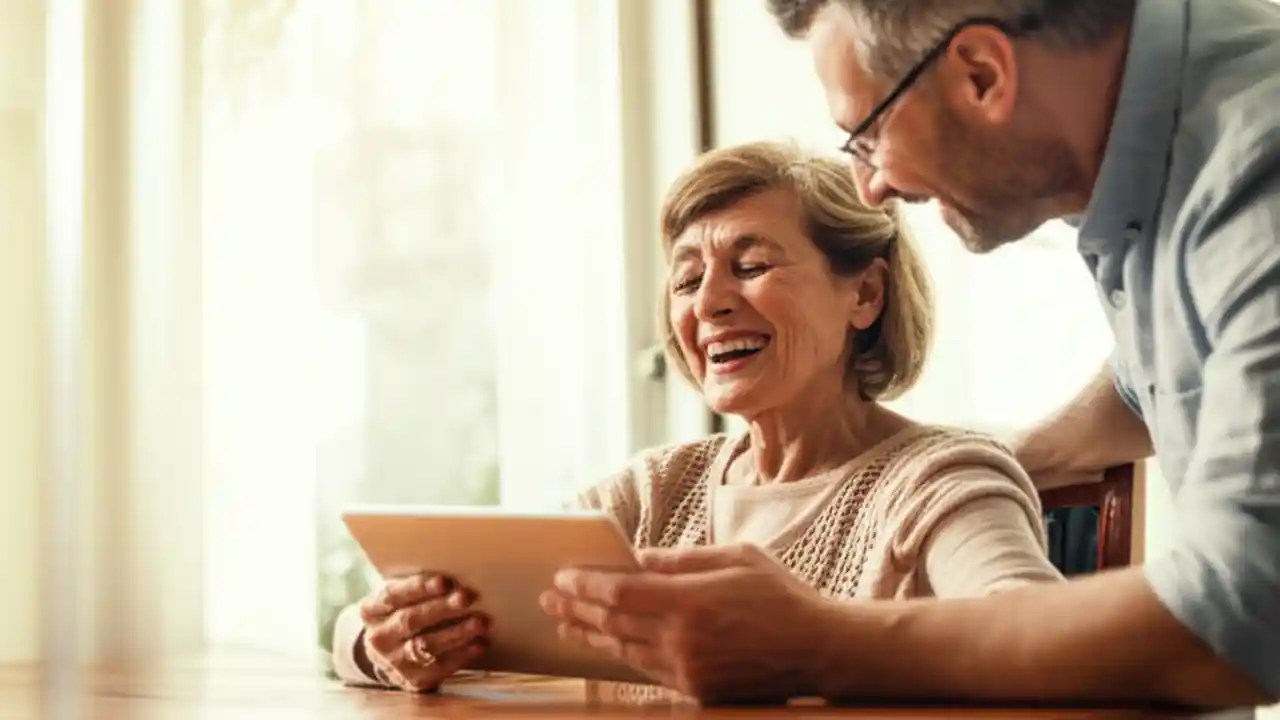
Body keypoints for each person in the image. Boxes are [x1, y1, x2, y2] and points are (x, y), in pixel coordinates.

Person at [541, 0, 1280, 708]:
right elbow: (1164, 373)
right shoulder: (1162, 171)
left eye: (868, 133)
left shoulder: (1253, 167)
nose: (874, 184)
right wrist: (1017, 452)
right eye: (687, 278)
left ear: (983, 73)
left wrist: (815, 642)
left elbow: (1251, 601)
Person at [330, 141, 1063, 693]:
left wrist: (814, 638)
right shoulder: (653, 492)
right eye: (686, 277)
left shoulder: (939, 478)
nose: (707, 301)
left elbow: (1042, 637)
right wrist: (390, 646)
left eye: (750, 266)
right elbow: (351, 633)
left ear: (865, 295)